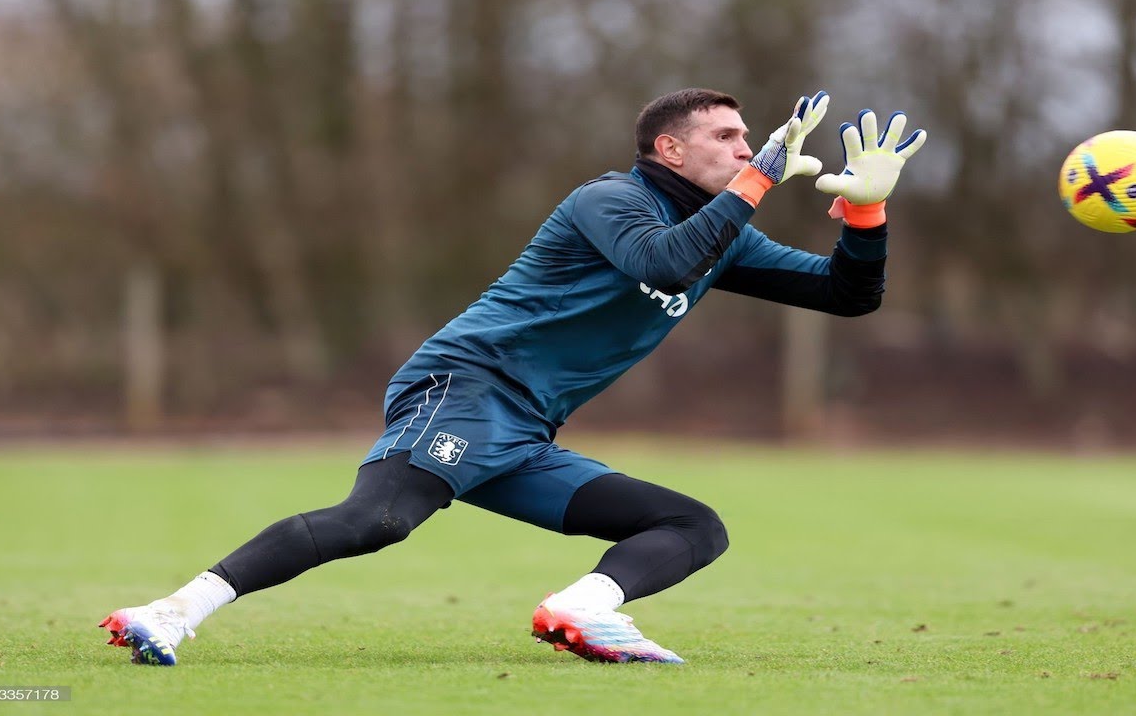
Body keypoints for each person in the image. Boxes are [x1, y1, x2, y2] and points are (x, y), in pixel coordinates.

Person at [100, 87, 926, 666]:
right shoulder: (609, 200)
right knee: (378, 520)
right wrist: (759, 179)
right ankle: (169, 613)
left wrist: (866, 214)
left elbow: (847, 296)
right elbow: (664, 263)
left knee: (692, 526)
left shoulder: (722, 235)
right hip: (467, 385)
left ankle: (582, 610)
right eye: (729, 137)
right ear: (670, 150)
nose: (750, 148)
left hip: (525, 428)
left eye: (750, 140)